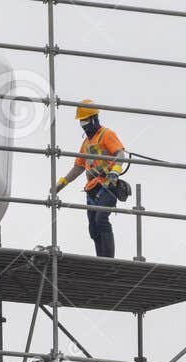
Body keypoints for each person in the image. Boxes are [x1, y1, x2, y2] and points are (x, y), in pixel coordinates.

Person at [53, 101, 129, 258]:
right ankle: (100, 259)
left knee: (101, 219)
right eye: (82, 121)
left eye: (86, 120)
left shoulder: (106, 134)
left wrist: (115, 171)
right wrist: (62, 183)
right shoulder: (86, 143)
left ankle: (108, 261)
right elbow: (79, 167)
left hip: (108, 186)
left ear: (95, 118)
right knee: (93, 227)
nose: (84, 125)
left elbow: (120, 154)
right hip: (92, 189)